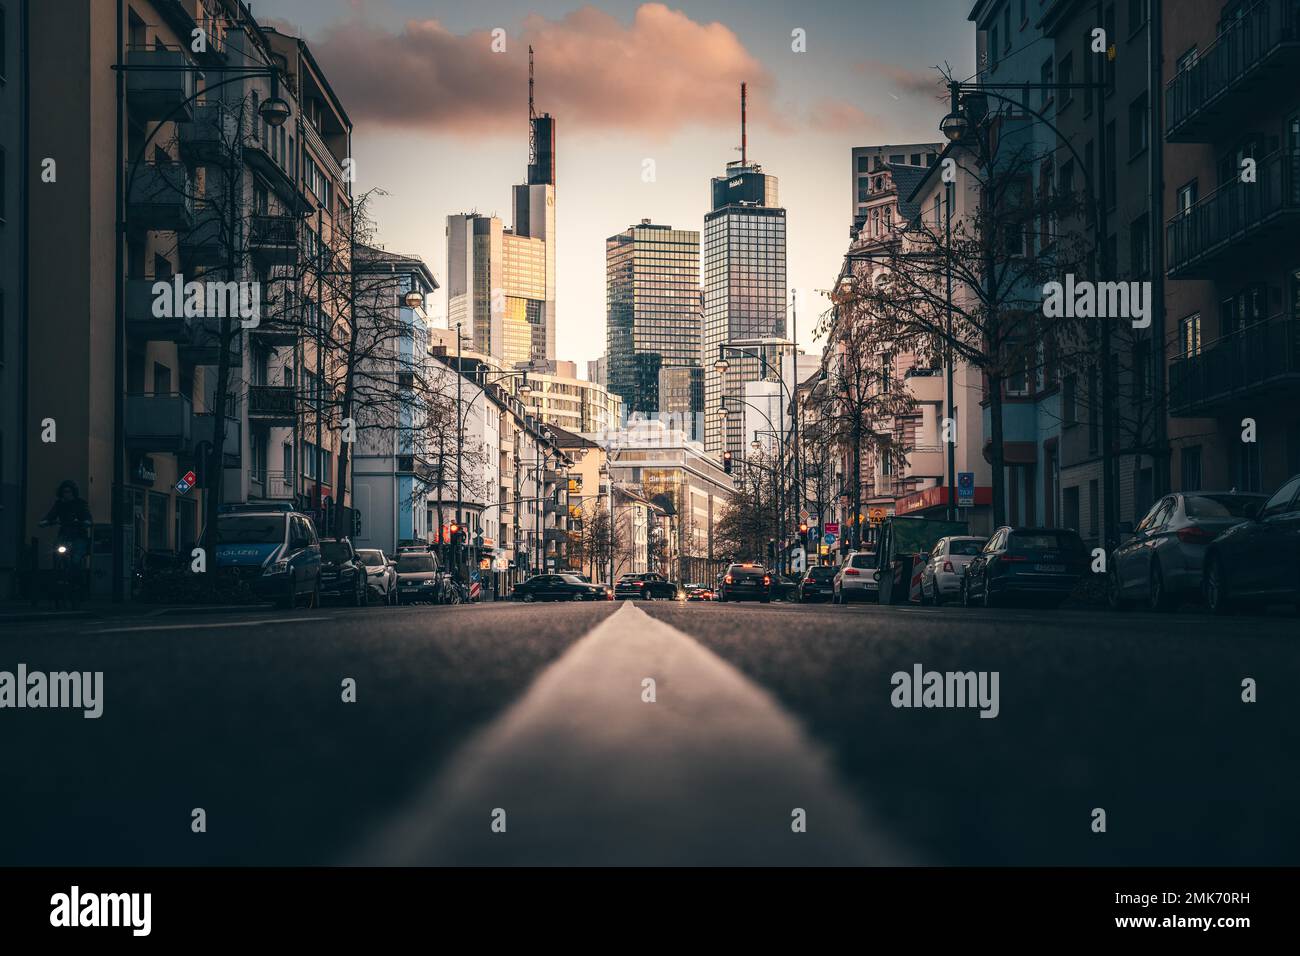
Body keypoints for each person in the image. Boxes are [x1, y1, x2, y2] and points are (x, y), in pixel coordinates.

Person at [39, 480, 93, 585]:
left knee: (76, 558)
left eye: (68, 491)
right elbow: (51, 515)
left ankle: (78, 583)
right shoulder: (59, 504)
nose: (66, 494)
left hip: (78, 535)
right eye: (64, 492)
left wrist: (86, 521)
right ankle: (58, 574)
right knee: (56, 550)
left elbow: (87, 515)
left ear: (73, 492)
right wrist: (44, 521)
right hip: (64, 534)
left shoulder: (80, 503)